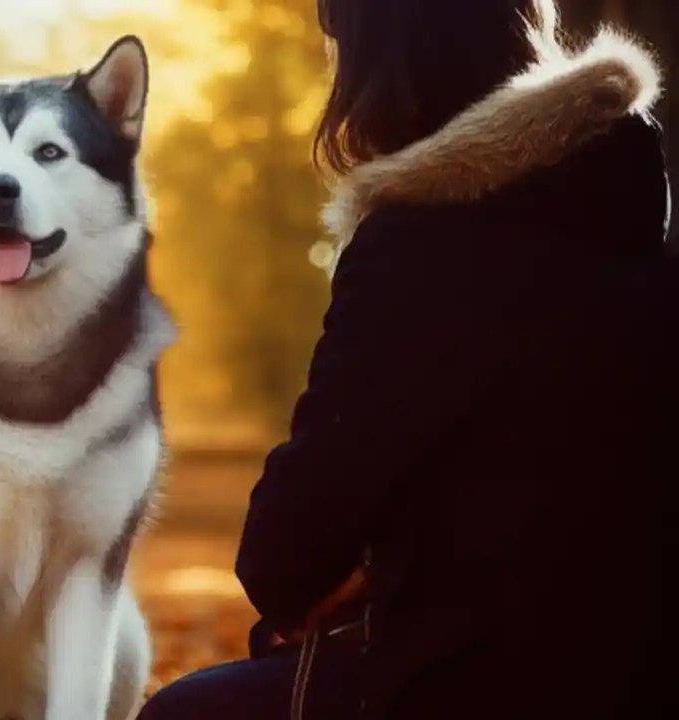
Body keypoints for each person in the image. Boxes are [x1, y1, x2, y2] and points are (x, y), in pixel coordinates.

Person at [138, 0, 677, 718]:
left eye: (336, 34)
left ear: (385, 54)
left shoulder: (418, 246)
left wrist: (371, 568)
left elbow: (280, 558)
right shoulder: (634, 217)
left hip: (476, 686)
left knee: (187, 712)